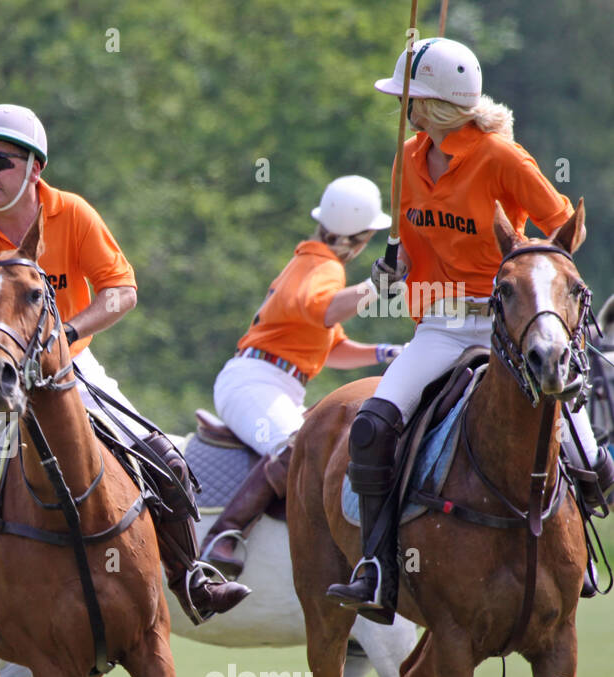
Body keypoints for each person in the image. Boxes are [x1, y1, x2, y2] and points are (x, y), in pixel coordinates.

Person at [0, 103, 249, 671]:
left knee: (162, 456)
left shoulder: (72, 214)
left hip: (68, 366)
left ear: (34, 169)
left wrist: (67, 333)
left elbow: (121, 290)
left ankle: (190, 575)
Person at [327, 38, 612, 621]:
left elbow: (563, 233)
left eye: (409, 96)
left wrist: (526, 280)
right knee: (372, 429)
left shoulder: (502, 158)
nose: (402, 105)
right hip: (438, 326)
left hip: (508, 327)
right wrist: (391, 270)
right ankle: (379, 568)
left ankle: (575, 556)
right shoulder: (407, 157)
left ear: (434, 104)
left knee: (589, 456)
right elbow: (410, 247)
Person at [199, 175, 405, 577]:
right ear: (361, 239)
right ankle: (223, 536)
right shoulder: (323, 266)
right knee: (299, 449)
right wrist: (377, 285)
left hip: (271, 381)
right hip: (256, 381)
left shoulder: (312, 264)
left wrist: (383, 352)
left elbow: (332, 344)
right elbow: (325, 310)